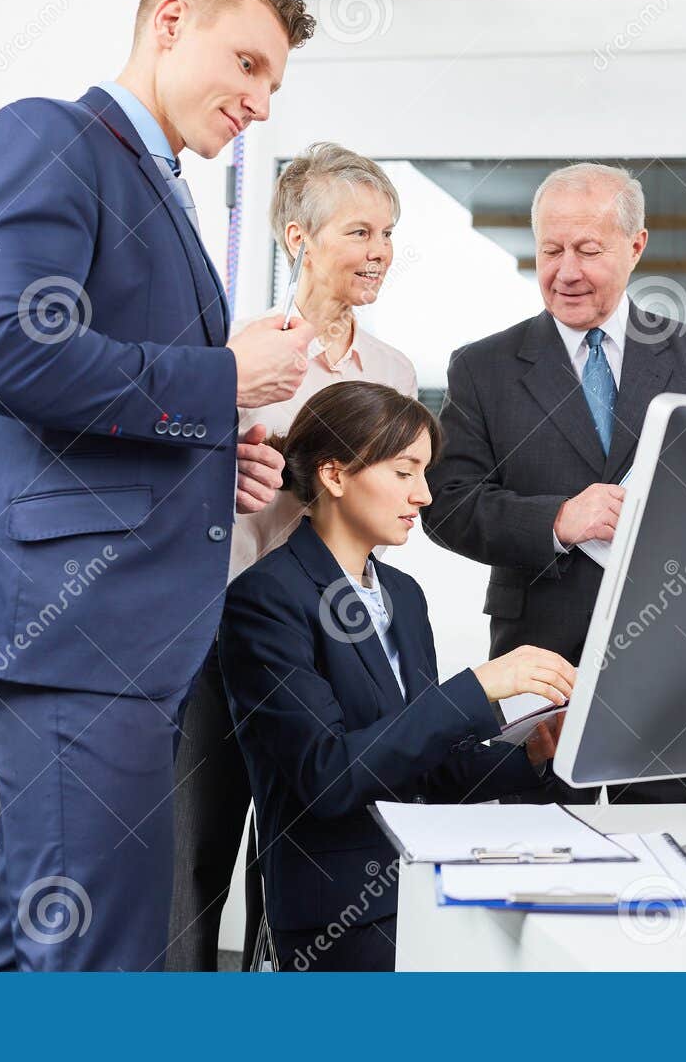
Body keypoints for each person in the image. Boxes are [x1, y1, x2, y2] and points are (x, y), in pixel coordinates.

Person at [0, 0, 318, 971]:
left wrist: (218, 453)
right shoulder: (47, 137)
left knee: (47, 933)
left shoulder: (157, 181)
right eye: (250, 64)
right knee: (99, 949)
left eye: (274, 81)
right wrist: (222, 381)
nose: (261, 101)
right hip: (66, 624)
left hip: (119, 628)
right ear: (169, 22)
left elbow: (108, 394)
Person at [219, 381, 573, 971]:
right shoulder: (266, 599)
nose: (426, 495)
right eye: (406, 472)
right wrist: (477, 689)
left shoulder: (403, 597)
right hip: (335, 911)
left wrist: (533, 755)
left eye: (426, 474)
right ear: (334, 475)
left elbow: (427, 766)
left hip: (427, 887)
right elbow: (328, 777)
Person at [424, 162, 686, 806]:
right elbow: (448, 506)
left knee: (680, 860)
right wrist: (555, 521)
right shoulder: (482, 367)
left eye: (588, 250)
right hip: (539, 663)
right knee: (536, 867)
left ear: (636, 246)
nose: (565, 271)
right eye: (550, 250)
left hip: (677, 663)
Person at [168, 144, 418, 971]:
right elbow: (174, 491)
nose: (379, 250)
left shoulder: (392, 371)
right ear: (298, 239)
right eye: (359, 230)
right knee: (198, 851)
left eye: (387, 232)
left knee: (303, 853)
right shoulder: (239, 351)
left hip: (334, 645)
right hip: (225, 631)